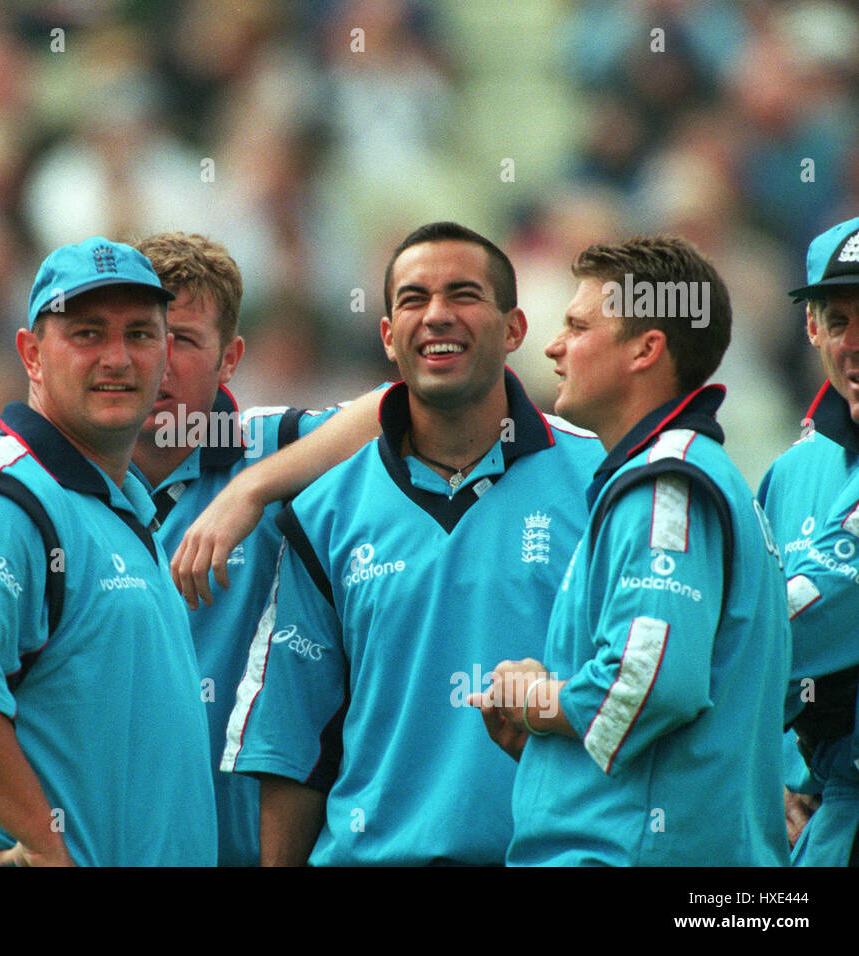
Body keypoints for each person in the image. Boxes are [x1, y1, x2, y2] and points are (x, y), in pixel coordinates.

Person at [219, 222, 603, 865]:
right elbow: (292, 746)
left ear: (514, 329)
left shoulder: (602, 481)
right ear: (389, 337)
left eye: (463, 295)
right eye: (414, 300)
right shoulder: (324, 509)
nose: (438, 316)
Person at [0, 236, 216, 866]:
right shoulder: (2, 501)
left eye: (141, 335)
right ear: (32, 355)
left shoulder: (121, 503)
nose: (118, 358)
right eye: (88, 334)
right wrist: (48, 844)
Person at [471, 235, 791, 866]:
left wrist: (533, 699)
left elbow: (646, 683)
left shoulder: (666, 484)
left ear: (646, 350)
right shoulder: (689, 475)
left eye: (578, 326)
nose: (554, 347)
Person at [129, 231, 382, 866]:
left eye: (183, 338)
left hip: (239, 844)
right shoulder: (60, 478)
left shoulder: (267, 445)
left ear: (231, 358)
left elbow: (394, 406)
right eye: (140, 334)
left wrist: (248, 493)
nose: (158, 360)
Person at [758, 215, 859, 866]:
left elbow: (748, 630)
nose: (857, 343)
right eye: (841, 319)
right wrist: (788, 775)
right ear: (812, 329)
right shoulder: (793, 472)